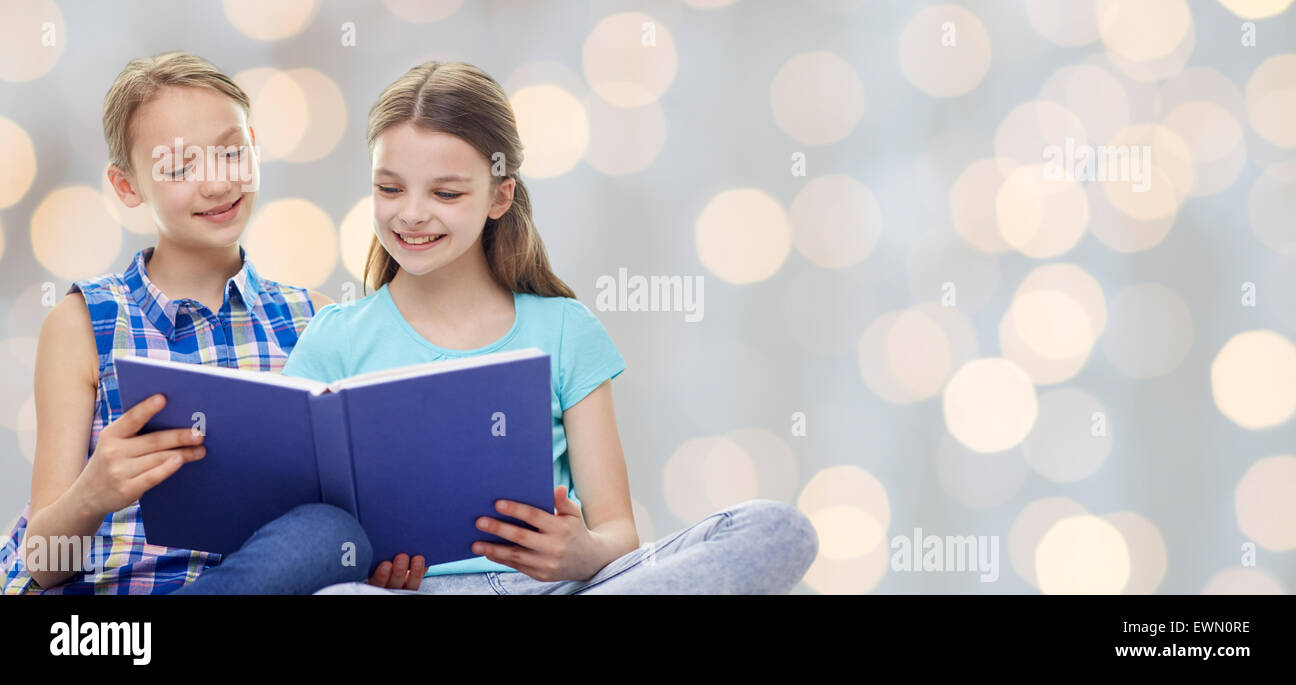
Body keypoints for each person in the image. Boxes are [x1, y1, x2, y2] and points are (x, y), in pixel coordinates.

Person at [282, 61, 819, 595]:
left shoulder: (564, 329)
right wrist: (358, 566)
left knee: (776, 527)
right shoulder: (335, 338)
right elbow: (290, 534)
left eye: (446, 194)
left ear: (500, 197)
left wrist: (584, 551)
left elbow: (618, 534)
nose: (412, 214)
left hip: (550, 588)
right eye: (390, 189)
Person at [0, 52, 372, 595]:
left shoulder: (314, 317)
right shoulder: (84, 323)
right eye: (179, 168)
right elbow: (44, 561)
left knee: (338, 534)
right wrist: (95, 490)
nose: (217, 185)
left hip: (263, 581)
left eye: (231, 152)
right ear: (127, 187)